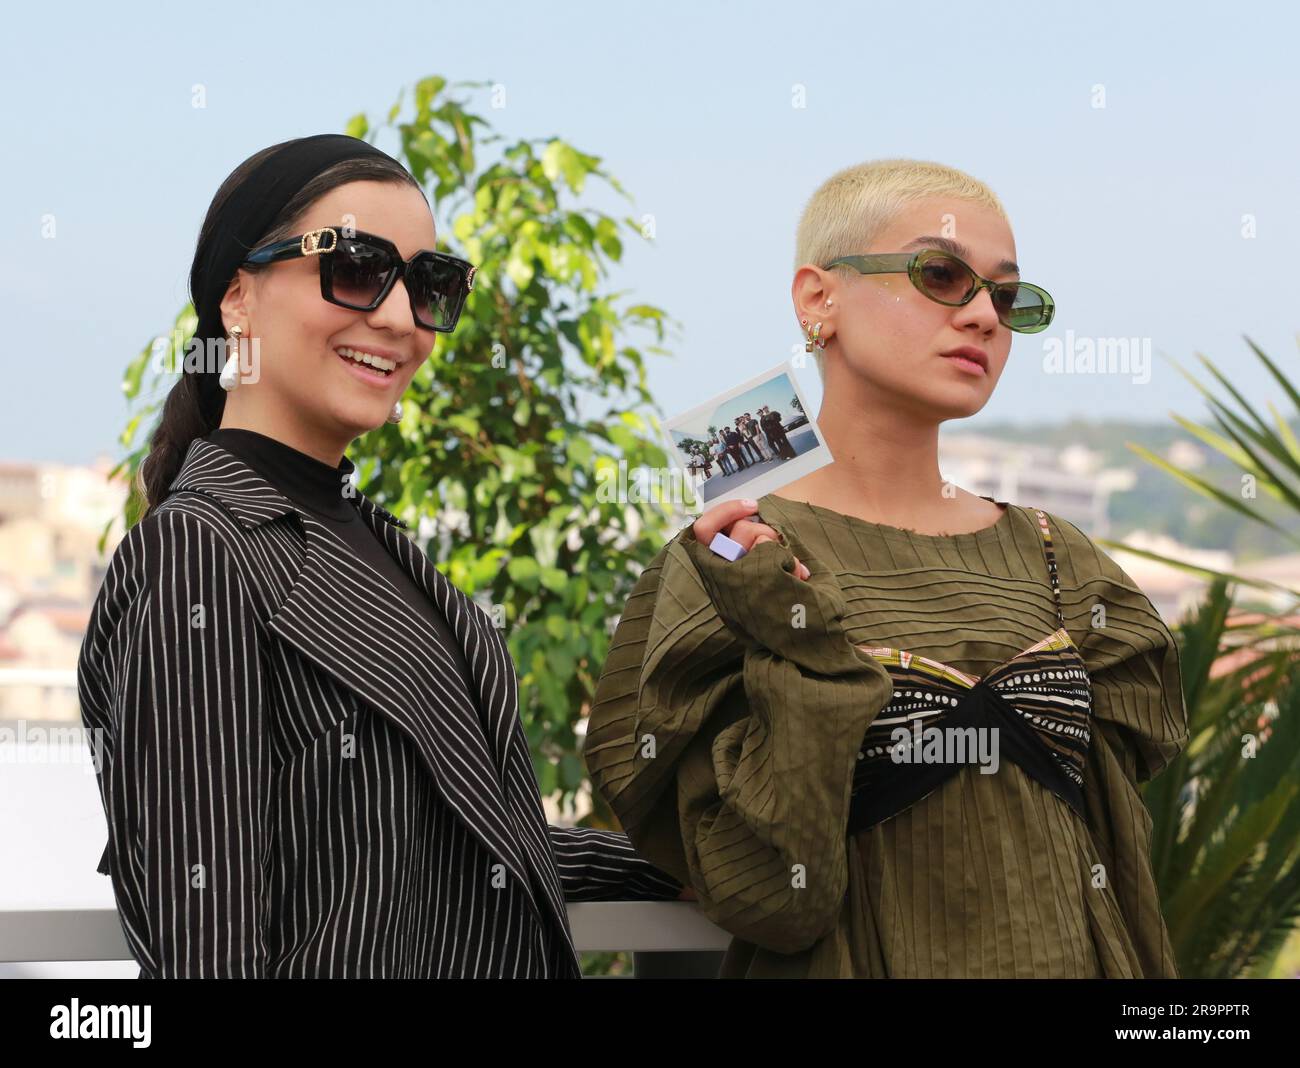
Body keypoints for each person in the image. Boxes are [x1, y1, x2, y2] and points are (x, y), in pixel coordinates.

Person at [76, 134, 682, 980]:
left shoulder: (380, 545)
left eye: (430, 283)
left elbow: (452, 845)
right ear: (236, 298)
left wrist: (715, 867)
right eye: (356, 267)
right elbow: (203, 941)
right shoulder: (198, 552)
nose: (399, 319)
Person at [585, 157, 1189, 978]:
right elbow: (769, 895)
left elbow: (1112, 858)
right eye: (940, 274)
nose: (983, 316)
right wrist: (793, 636)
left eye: (1006, 296)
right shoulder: (736, 559)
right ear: (818, 298)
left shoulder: (1061, 558)